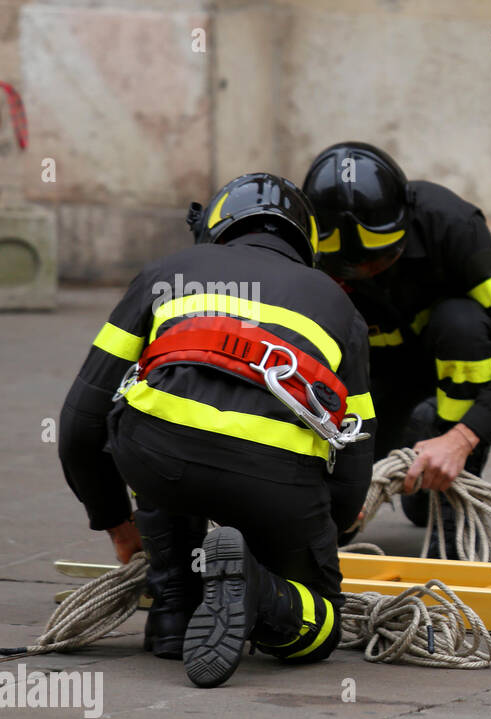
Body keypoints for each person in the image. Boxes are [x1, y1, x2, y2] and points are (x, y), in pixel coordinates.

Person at [58, 173, 375, 688]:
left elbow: (79, 422)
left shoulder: (166, 272)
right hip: (277, 475)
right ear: (306, 244)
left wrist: (117, 523)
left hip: (158, 456)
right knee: (323, 626)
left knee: (155, 424)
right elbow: (356, 448)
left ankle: (173, 611)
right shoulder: (339, 306)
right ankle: (260, 592)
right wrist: (314, 538)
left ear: (213, 227)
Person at [302, 142, 491, 552]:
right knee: (334, 520)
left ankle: (449, 489)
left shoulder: (451, 225)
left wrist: (462, 438)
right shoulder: (304, 247)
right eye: (351, 268)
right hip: (365, 386)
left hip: (447, 379)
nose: (366, 273)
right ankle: (394, 473)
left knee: (463, 323)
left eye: (379, 260)